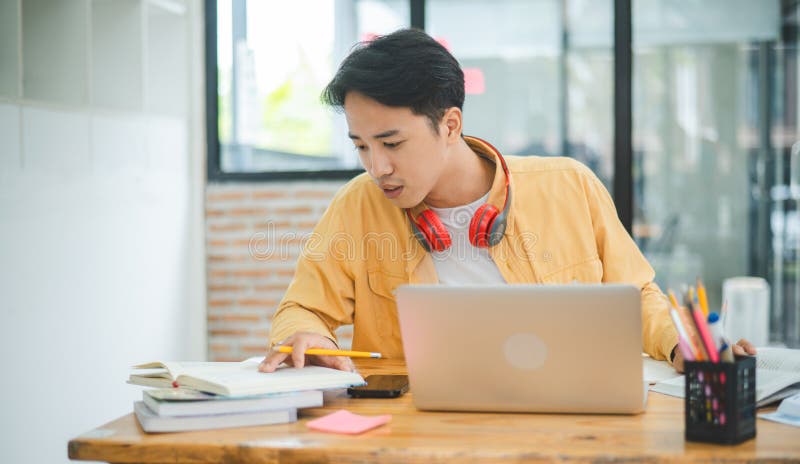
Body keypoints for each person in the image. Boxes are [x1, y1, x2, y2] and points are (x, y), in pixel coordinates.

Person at [259, 28, 755, 374]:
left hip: (567, 417)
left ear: (450, 125)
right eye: (360, 146)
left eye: (391, 144)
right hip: (416, 434)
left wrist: (683, 345)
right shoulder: (358, 206)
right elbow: (302, 308)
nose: (376, 167)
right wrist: (309, 336)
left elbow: (638, 296)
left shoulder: (568, 185)